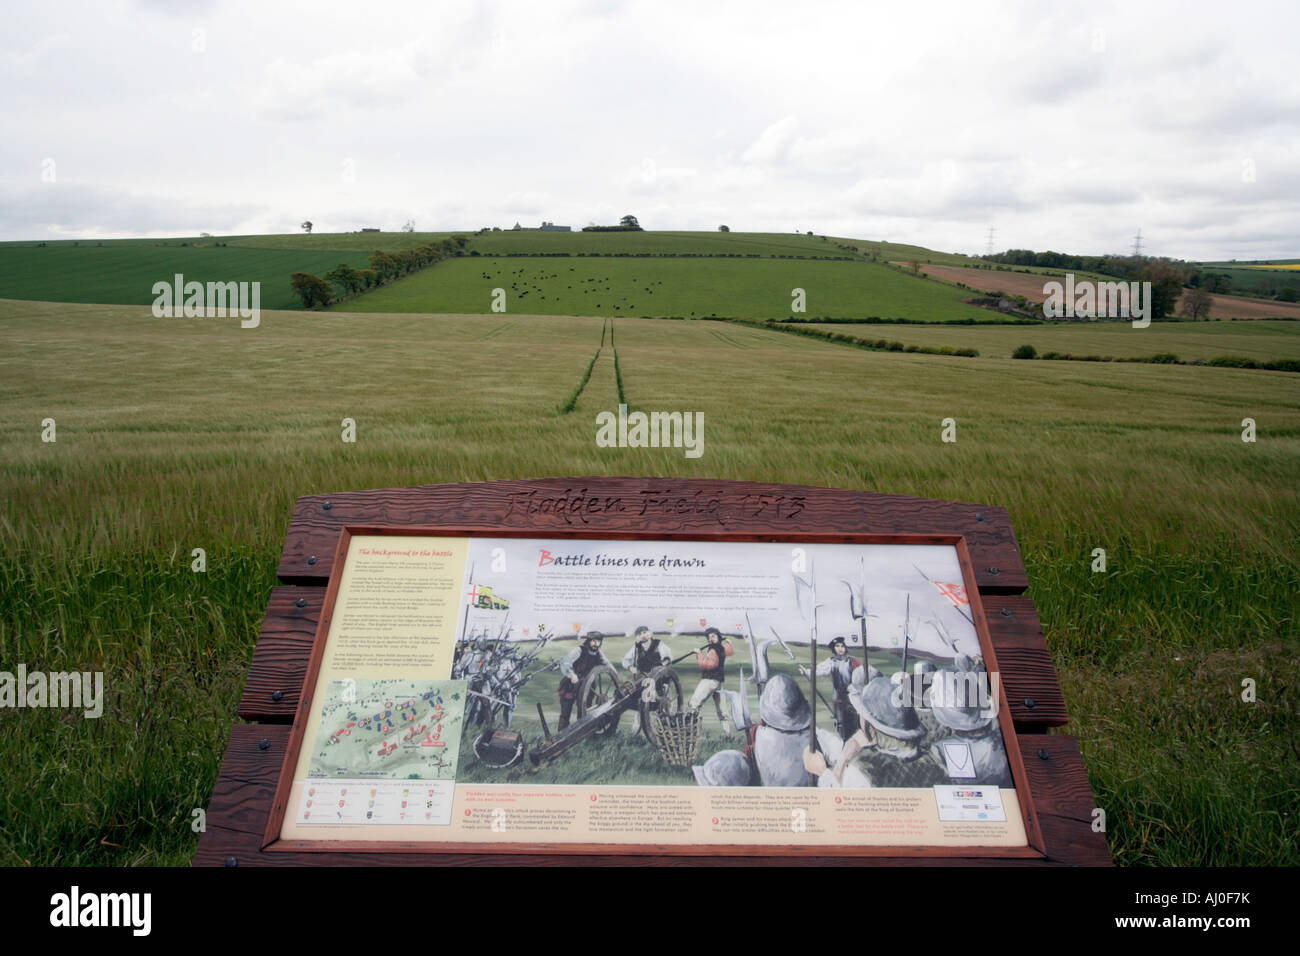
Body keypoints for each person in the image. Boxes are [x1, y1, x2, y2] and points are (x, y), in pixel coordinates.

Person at [800, 635, 860, 741]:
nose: (840, 648)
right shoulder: (831, 662)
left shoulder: (852, 662)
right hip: (839, 699)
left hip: (853, 698)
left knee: (855, 723)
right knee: (841, 724)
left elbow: (861, 676)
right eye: (837, 646)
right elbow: (818, 670)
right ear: (834, 648)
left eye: (842, 646)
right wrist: (806, 672)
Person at [557, 631, 613, 731]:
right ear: (588, 641)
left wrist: (615, 676)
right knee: (565, 712)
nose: (596, 644)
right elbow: (565, 662)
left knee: (584, 711)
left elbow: (608, 666)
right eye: (594, 641)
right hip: (572, 684)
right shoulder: (579, 650)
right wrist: (571, 674)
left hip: (588, 686)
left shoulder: (599, 654)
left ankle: (581, 733)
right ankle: (561, 735)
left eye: (599, 641)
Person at [688, 627, 734, 732]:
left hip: (709, 681)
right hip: (718, 682)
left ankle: (693, 731)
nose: (710, 639)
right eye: (709, 637)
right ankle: (727, 733)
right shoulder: (721, 648)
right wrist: (728, 643)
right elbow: (729, 651)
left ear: (718, 637)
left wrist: (699, 654)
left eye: (713, 636)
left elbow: (708, 665)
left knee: (694, 703)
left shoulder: (713, 650)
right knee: (722, 709)